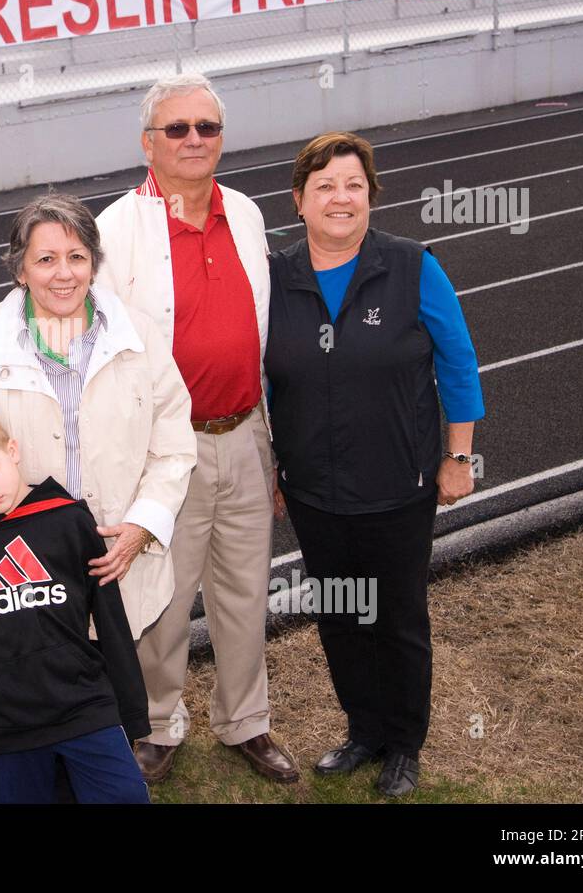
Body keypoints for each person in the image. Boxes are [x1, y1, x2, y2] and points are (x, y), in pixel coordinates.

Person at [266, 131, 485, 797]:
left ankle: (403, 744)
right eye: (325, 186)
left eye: (353, 185)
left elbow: (457, 363)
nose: (340, 198)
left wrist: (458, 456)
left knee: (396, 618)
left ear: (370, 196)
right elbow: (265, 382)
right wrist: (277, 466)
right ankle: (363, 730)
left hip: (399, 486)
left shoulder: (415, 266)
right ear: (300, 199)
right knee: (340, 615)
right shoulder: (275, 278)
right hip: (314, 492)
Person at [94, 72, 298, 785]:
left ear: (221, 139)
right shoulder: (114, 230)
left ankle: (246, 722)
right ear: (148, 142)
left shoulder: (243, 212)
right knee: (162, 599)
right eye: (176, 129)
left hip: (244, 433)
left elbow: (262, 333)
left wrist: (268, 445)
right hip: (164, 450)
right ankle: (157, 724)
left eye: (205, 128)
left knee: (246, 591)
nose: (192, 140)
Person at [0, 193, 195, 663]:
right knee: (45, 697)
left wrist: (143, 526)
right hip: (22, 577)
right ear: (20, 269)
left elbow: (174, 446)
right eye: (46, 259)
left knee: (124, 690)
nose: (64, 273)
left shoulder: (138, 333)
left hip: (119, 559)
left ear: (94, 264)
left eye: (77, 257)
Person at [0, 404, 151, 803]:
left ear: (12, 450)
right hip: (10, 724)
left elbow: (110, 617)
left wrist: (131, 710)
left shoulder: (70, 520)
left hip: (84, 706)